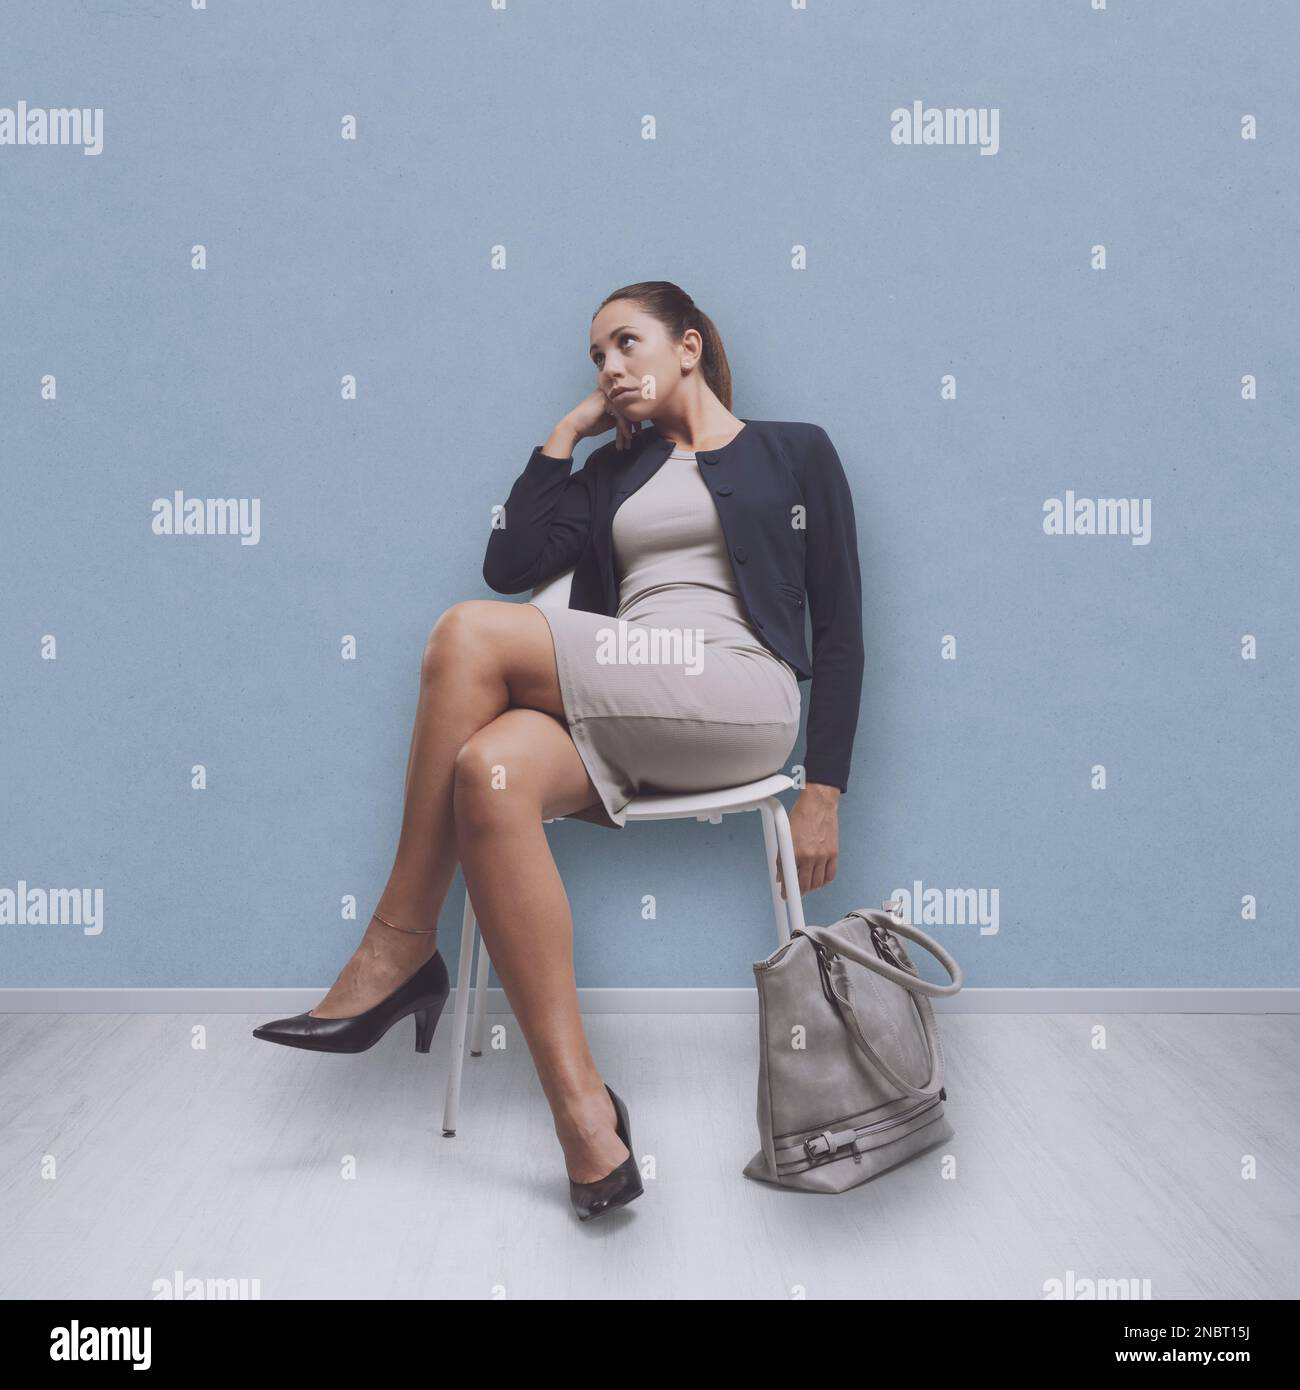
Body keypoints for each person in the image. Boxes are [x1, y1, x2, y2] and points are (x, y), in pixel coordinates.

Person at [254, 281, 865, 1221]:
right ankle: (588, 1125)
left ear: (690, 345)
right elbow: (511, 564)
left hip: (739, 691)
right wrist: (566, 432)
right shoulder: (615, 473)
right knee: (485, 774)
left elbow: (843, 626)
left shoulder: (795, 450)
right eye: (596, 357)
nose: (611, 368)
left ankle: (399, 947)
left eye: (626, 345)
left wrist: (822, 789)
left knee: (466, 635)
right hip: (628, 697)